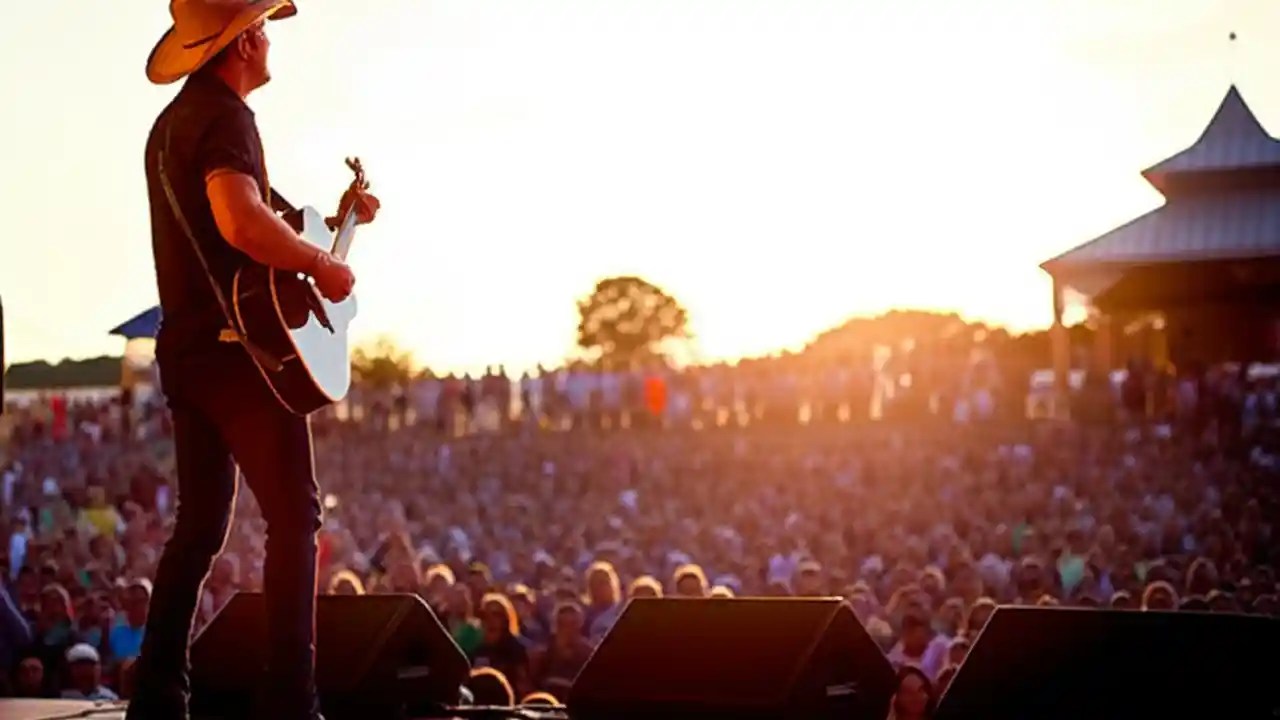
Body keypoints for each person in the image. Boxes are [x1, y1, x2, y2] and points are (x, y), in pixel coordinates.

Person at [132, 2, 380, 719]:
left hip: (185, 351)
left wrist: (339, 224)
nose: (270, 38)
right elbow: (240, 224)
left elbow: (265, 222)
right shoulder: (227, 119)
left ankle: (157, 693)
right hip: (239, 352)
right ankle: (292, 701)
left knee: (201, 524)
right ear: (242, 43)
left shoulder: (171, 125)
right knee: (295, 516)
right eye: (263, 28)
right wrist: (320, 266)